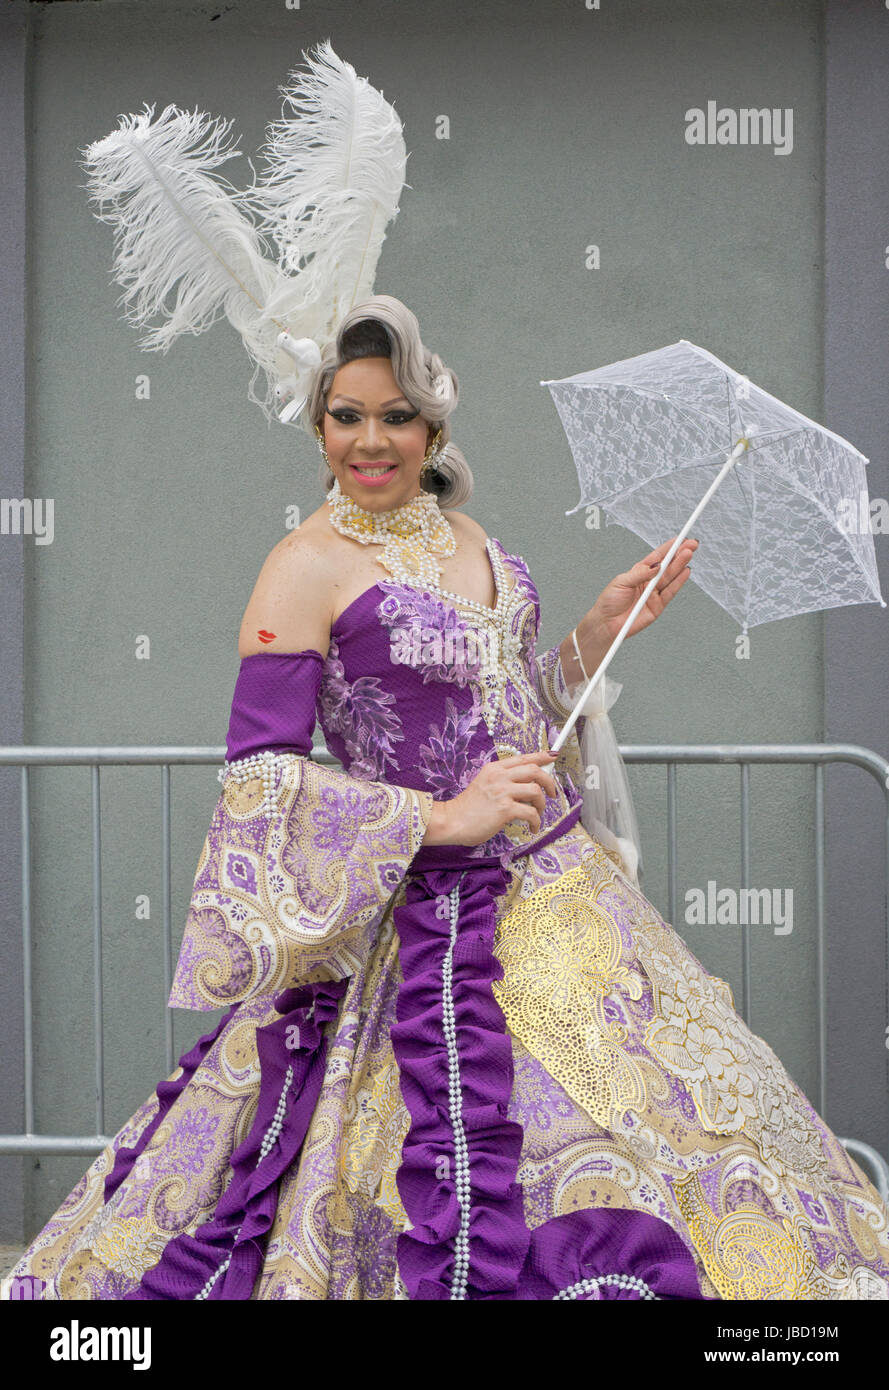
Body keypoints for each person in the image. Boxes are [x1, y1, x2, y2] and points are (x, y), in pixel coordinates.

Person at [5, 296, 889, 1302]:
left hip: (568, 902)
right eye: (347, 415)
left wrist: (598, 632)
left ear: (434, 425)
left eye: (394, 415)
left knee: (671, 1133)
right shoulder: (302, 569)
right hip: (418, 926)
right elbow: (260, 777)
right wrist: (438, 818)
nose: (370, 441)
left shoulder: (470, 535)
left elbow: (521, 713)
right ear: (319, 425)